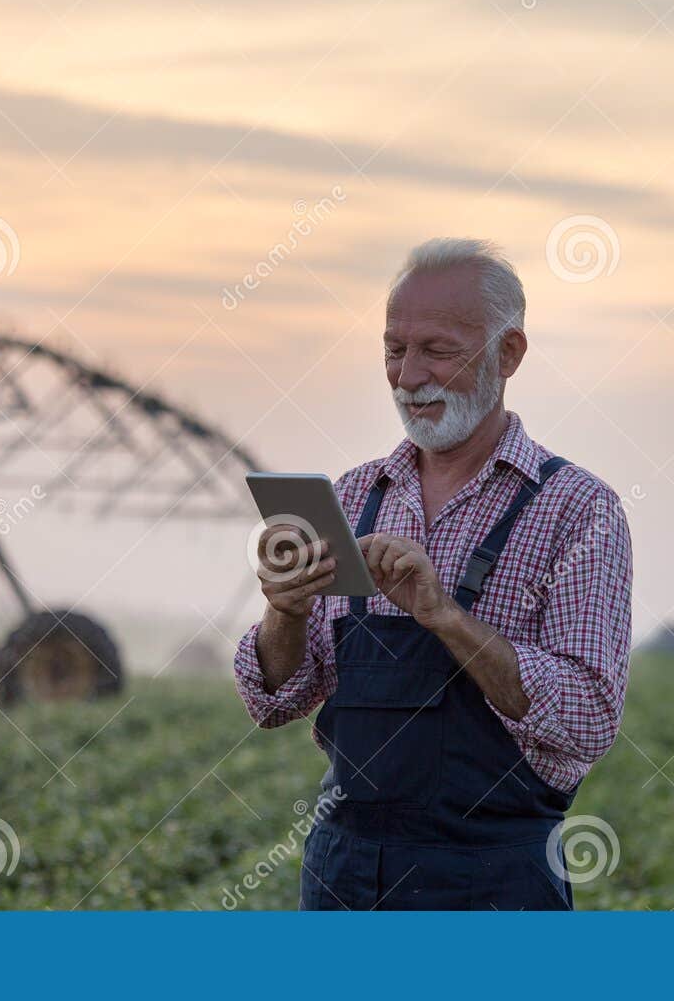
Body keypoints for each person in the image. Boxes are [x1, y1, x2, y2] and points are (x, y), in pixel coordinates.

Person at [233, 237, 633, 909]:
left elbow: (589, 717)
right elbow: (273, 700)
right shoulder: (354, 497)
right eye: (394, 348)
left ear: (509, 354)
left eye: (438, 350)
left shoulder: (578, 511)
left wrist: (444, 615)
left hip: (492, 880)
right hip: (345, 874)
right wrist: (286, 612)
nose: (408, 374)